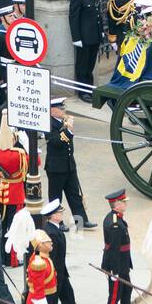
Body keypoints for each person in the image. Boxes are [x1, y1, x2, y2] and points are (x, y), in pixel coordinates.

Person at [45, 97, 95, 227]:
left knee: (74, 195)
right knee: (56, 197)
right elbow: (56, 142)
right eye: (60, 108)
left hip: (69, 165)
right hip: (56, 167)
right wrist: (68, 130)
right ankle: (57, 222)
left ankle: (81, 221)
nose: (63, 110)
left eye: (63, 108)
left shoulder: (62, 122)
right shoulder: (49, 124)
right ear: (52, 110)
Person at [0, 116, 28, 261]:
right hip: (15, 195)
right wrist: (26, 147)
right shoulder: (19, 155)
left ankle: (0, 257)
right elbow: (36, 163)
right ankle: (12, 258)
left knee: (0, 227)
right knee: (14, 228)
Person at [100, 189, 139, 304]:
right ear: (116, 204)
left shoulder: (117, 218)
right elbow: (114, 250)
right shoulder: (114, 223)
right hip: (116, 266)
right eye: (123, 202)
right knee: (114, 297)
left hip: (123, 264)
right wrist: (114, 272)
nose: (126, 204)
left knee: (126, 291)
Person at [68, 0, 103, 102]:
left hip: (94, 36)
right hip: (83, 37)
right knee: (83, 65)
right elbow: (73, 18)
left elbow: (97, 15)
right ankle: (83, 91)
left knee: (90, 65)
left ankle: (89, 88)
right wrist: (76, 37)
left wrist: (101, 33)